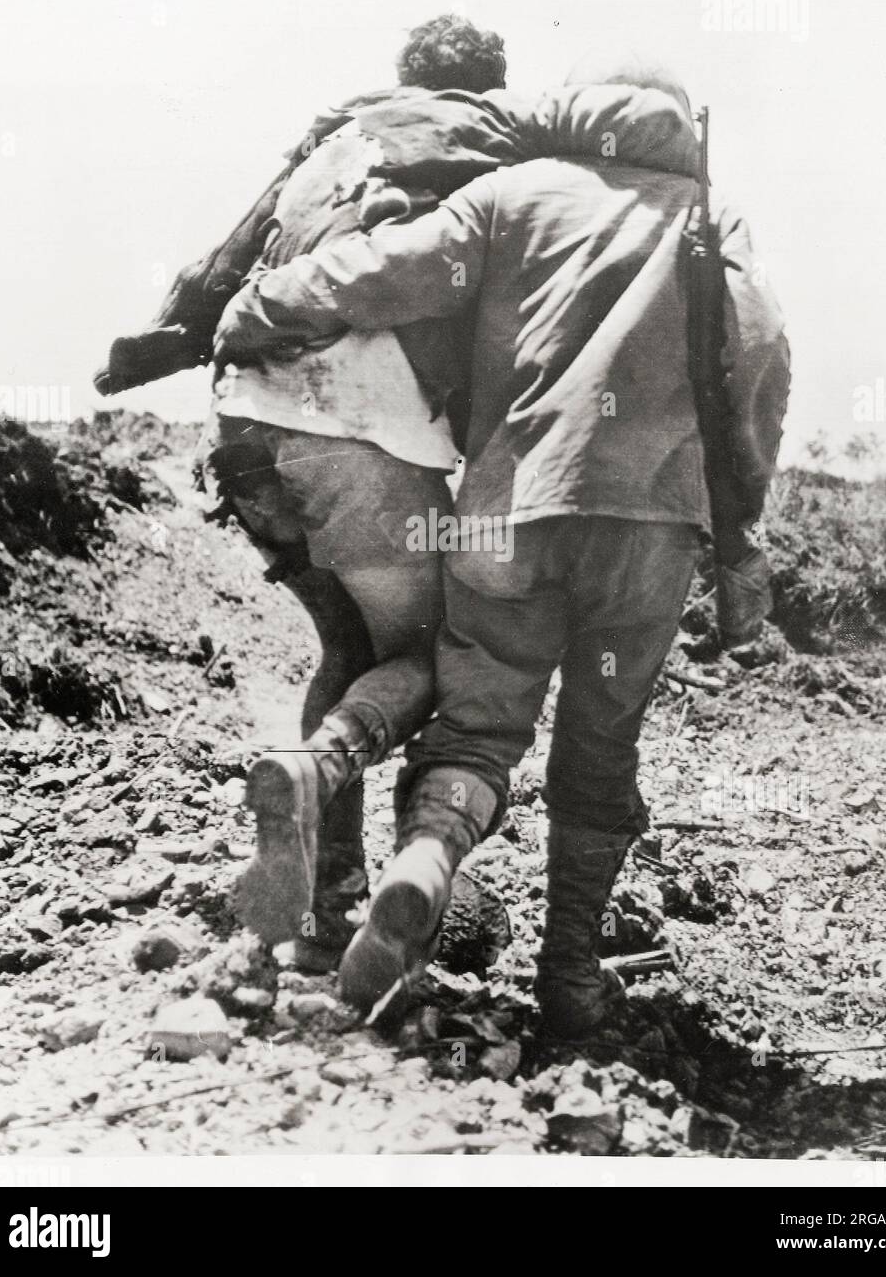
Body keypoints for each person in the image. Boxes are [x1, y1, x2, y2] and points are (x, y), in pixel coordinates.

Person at [108, 17, 703, 971]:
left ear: (403, 74)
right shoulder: (495, 142)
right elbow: (408, 274)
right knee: (433, 653)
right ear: (492, 87)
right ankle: (347, 845)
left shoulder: (335, 139)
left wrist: (173, 341)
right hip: (360, 429)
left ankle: (326, 888)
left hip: (245, 424)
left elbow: (215, 272)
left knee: (352, 645)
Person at [213, 56, 790, 1035]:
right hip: (649, 531)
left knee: (477, 727)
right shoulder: (708, 216)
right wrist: (740, 538)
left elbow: (383, 273)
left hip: (503, 512)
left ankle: (425, 860)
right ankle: (568, 979)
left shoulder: (515, 193)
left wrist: (259, 307)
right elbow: (760, 358)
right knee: (600, 751)